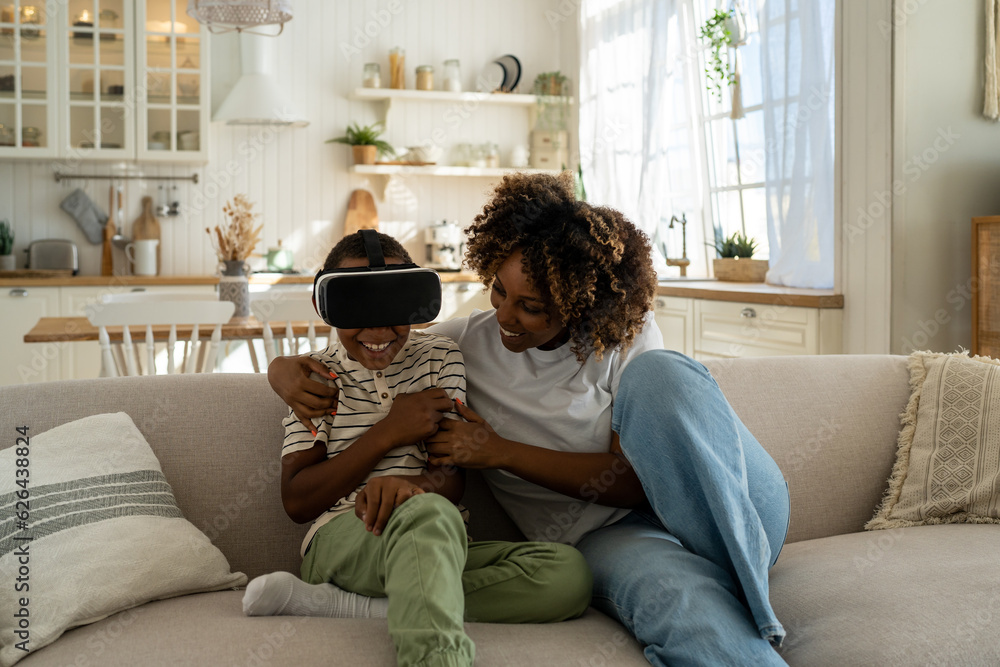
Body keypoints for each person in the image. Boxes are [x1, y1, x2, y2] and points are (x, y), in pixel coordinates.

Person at [268, 173, 791, 666]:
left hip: (736, 498)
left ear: (580, 305)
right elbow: (386, 338)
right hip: (614, 538)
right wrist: (279, 369)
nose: (504, 316)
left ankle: (748, 588)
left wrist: (498, 451)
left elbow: (633, 482)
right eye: (498, 290)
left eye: (532, 307)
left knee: (665, 373)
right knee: (683, 601)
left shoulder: (624, 338)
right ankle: (726, 603)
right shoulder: (465, 345)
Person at [245, 231, 593, 667]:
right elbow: (297, 500)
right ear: (326, 307)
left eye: (394, 312)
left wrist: (408, 488)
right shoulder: (313, 376)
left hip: (442, 540)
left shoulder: (440, 358)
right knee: (425, 513)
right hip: (344, 540)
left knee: (569, 575)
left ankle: (371, 607)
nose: (379, 331)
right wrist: (389, 432)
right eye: (360, 313)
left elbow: (450, 481)